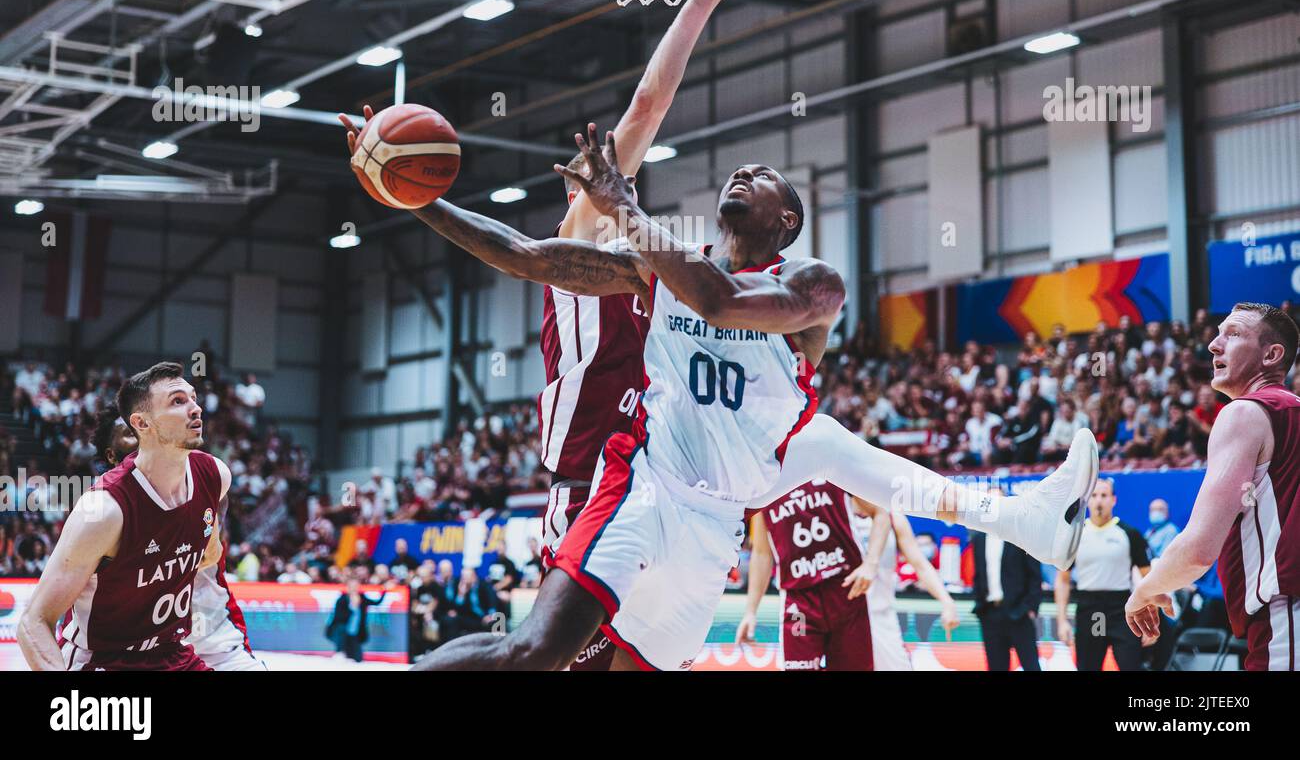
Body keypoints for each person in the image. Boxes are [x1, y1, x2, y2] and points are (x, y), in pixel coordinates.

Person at [379, 111, 1096, 671]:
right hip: (650, 485)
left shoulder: (813, 284)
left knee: (826, 442)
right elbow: (522, 255)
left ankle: (1026, 519)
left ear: (786, 219)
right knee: (536, 653)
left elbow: (720, 301)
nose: (746, 171)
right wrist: (410, 197)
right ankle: (1022, 519)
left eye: (766, 175)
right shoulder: (653, 269)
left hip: (725, 511)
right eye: (743, 168)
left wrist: (626, 207)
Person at [351, 0, 780, 670]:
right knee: (537, 656)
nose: (616, 179)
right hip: (594, 478)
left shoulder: (703, 283)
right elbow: (643, 112)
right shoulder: (591, 244)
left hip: (667, 498)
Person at [17, 362, 231, 671]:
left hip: (171, 653)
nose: (195, 409)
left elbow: (208, 556)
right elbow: (33, 622)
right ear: (142, 424)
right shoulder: (103, 511)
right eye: (177, 401)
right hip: (104, 660)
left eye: (194, 398)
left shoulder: (215, 475)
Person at [1126, 302, 1300, 671]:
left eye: (1234, 334)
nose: (1214, 345)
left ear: (1271, 355)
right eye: (1218, 333)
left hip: (1288, 618)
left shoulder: (1245, 412)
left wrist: (1144, 589)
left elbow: (1199, 549)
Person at [91, 405, 264, 670]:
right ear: (112, 456)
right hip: (137, 648)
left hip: (211, 635)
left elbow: (209, 555)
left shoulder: (204, 478)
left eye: (145, 427)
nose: (140, 436)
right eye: (129, 432)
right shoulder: (103, 509)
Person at [736, 481, 886, 670]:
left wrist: (871, 564)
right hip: (799, 602)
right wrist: (750, 611)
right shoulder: (766, 484)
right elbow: (761, 553)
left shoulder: (830, 465)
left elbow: (880, 512)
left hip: (846, 590)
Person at [849, 500, 960, 670]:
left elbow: (920, 564)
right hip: (844, 619)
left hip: (881, 617)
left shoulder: (894, 517)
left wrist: (947, 602)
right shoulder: (836, 510)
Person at [1055, 478, 1151, 670]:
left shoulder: (1129, 534)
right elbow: (1063, 580)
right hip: (1092, 610)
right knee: (1089, 666)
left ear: (1113, 500)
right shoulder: (1076, 535)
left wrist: (1149, 618)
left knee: (1131, 665)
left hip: (1122, 609)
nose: (1099, 500)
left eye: (1104, 495)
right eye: (1095, 495)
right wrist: (1062, 620)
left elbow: (1148, 578)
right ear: (1088, 500)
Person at [972, 489, 1044, 671]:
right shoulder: (979, 539)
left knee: (1031, 666)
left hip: (1019, 613)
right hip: (990, 614)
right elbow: (979, 576)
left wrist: (1031, 609)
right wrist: (981, 605)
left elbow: (1035, 576)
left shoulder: (1021, 536)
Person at [327, 577, 385, 662]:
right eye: (352, 586)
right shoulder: (342, 600)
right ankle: (340, 651)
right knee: (341, 654)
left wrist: (384, 590)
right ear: (348, 587)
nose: (354, 588)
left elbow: (377, 602)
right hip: (343, 635)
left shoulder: (362, 598)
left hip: (355, 635)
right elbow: (338, 618)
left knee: (358, 659)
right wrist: (352, 608)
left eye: (356, 586)